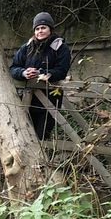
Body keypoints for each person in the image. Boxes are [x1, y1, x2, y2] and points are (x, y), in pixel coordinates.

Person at [10, 11, 71, 140]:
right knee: (26, 136)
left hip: (50, 100)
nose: (40, 31)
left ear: (50, 29)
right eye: (37, 28)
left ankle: (42, 160)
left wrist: (41, 73)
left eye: (43, 28)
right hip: (26, 99)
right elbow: (13, 67)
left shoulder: (60, 47)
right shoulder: (26, 47)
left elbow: (61, 71)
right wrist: (23, 73)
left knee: (42, 137)